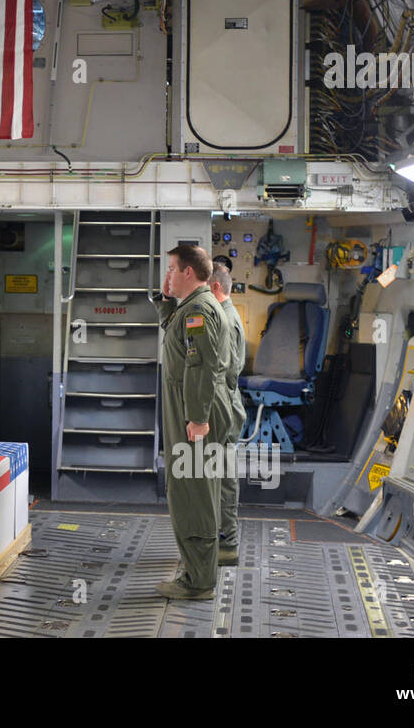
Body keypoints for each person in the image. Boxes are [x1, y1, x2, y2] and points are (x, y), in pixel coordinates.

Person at [155, 243, 230, 600]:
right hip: (188, 405)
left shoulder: (198, 311)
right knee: (193, 486)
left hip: (194, 410)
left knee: (192, 491)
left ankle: (199, 581)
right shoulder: (190, 308)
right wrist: (166, 308)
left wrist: (198, 418)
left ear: (188, 272)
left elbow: (200, 365)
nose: (167, 275)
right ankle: (198, 570)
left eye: (171, 268)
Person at [208, 264, 247, 566]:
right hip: (223, 404)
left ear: (216, 288)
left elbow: (230, 370)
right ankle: (221, 536)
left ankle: (229, 540)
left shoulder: (226, 319)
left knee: (225, 476)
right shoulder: (224, 316)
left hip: (226, 406)